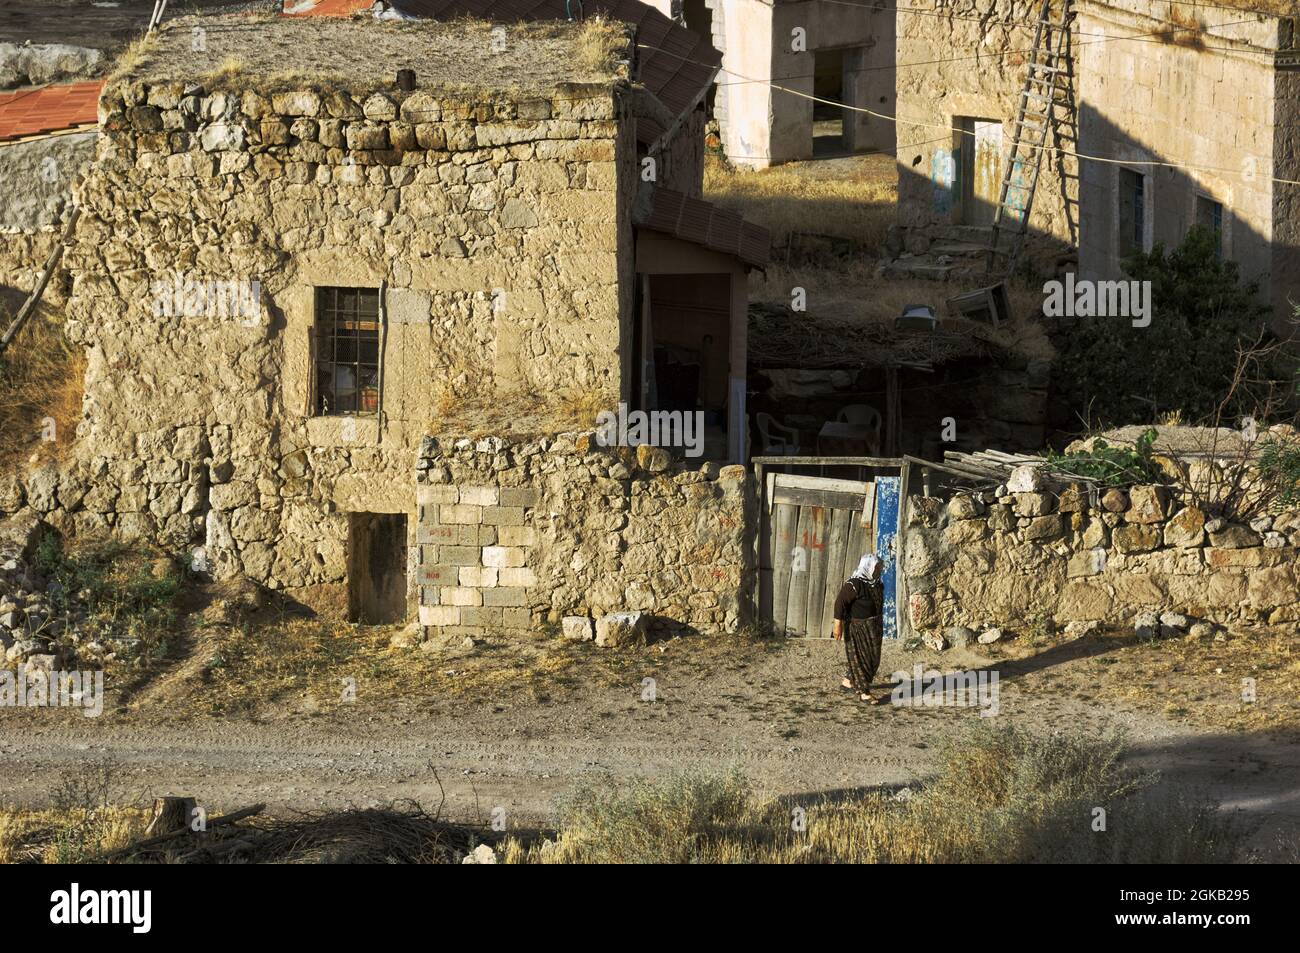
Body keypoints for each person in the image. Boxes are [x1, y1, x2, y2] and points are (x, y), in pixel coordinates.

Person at [832, 553, 885, 704]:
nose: (879, 570)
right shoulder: (855, 584)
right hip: (857, 628)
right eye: (876, 567)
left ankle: (848, 680)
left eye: (879, 567)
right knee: (862, 659)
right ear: (868, 567)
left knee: (873, 659)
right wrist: (838, 624)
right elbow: (840, 602)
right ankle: (864, 693)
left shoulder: (877, 584)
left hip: (874, 627)